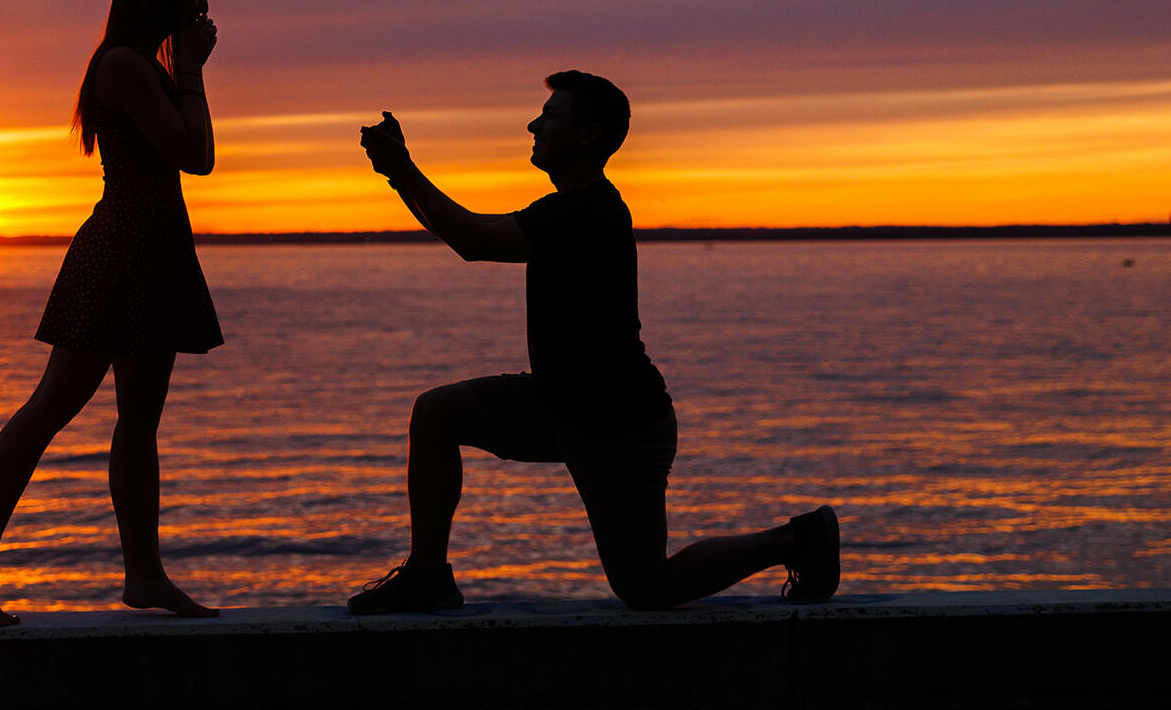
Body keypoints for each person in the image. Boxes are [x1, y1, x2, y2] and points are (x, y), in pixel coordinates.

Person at [348, 71, 839, 613]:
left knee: (645, 587)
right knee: (438, 414)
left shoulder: (583, 211)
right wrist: (400, 177)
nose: (534, 124)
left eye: (551, 116)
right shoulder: (570, 208)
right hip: (561, 407)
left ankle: (797, 539)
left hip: (618, 425)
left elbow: (471, 240)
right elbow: (466, 236)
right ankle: (428, 577)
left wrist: (403, 170)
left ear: (587, 135)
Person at [0, 0, 224, 626]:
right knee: (54, 404)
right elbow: (192, 154)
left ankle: (144, 572)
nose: (204, 2)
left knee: (139, 421)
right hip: (122, 250)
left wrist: (189, 73)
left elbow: (202, 156)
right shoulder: (125, 66)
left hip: (155, 250)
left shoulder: (148, 67)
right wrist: (190, 71)